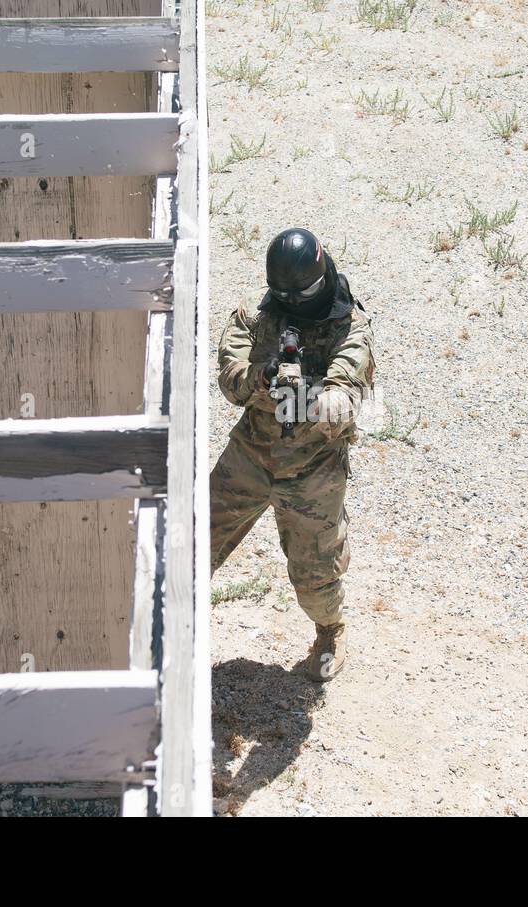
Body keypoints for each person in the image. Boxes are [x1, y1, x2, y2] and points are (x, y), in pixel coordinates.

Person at [210, 227, 375, 681]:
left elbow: (345, 400)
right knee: (193, 543)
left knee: (314, 576)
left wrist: (306, 396)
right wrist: (263, 378)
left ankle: (330, 632)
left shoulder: (350, 327)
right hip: (251, 454)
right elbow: (229, 378)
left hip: (315, 469)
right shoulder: (253, 316)